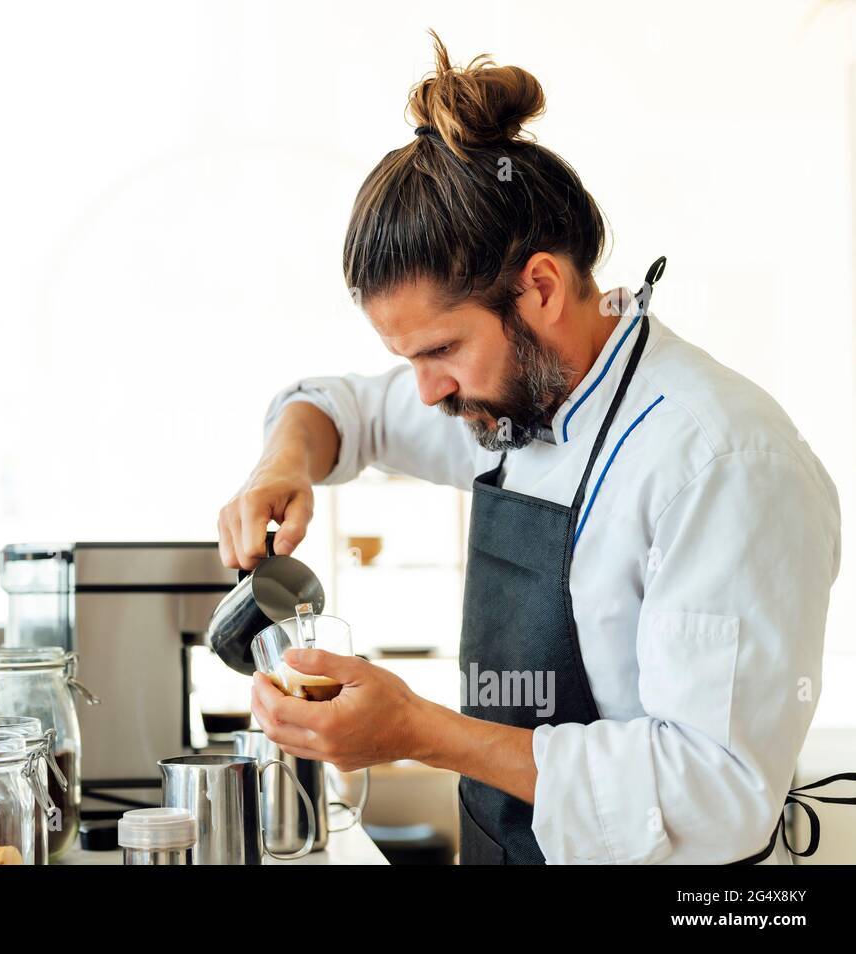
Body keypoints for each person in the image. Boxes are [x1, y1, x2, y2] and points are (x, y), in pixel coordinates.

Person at [218, 33, 847, 864]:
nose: (426, 393)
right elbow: (342, 411)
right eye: (409, 359)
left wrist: (418, 730)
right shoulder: (518, 398)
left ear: (540, 288)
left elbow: (717, 794)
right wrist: (283, 462)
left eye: (440, 351)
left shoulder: (722, 463)